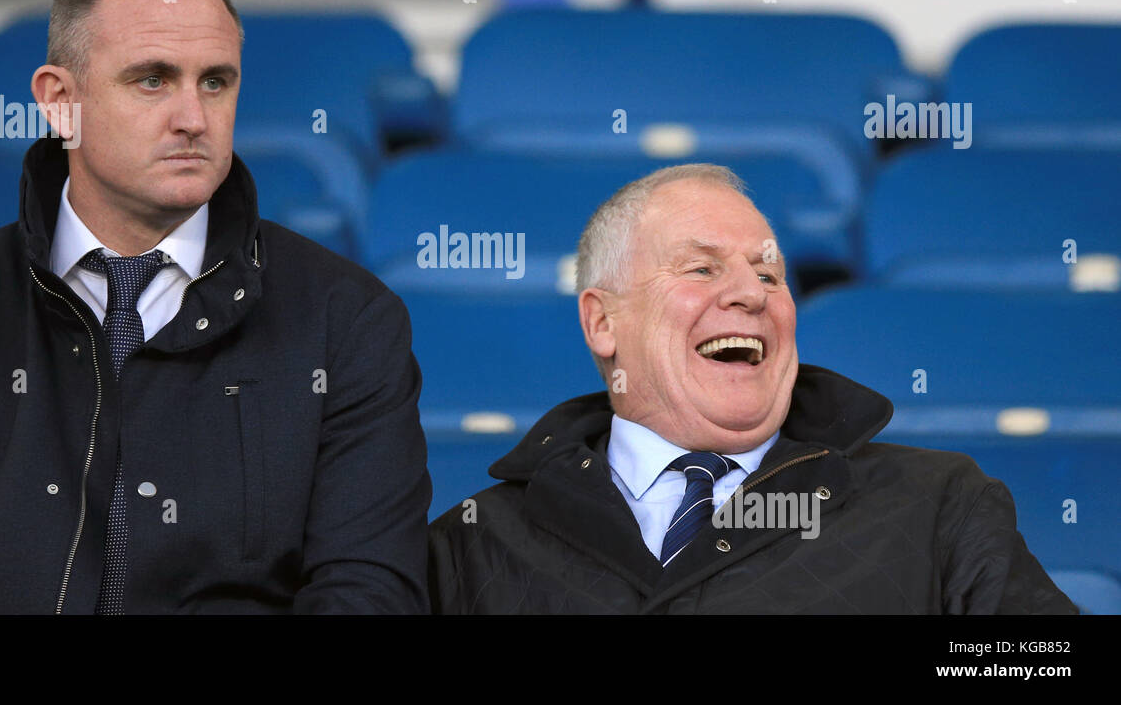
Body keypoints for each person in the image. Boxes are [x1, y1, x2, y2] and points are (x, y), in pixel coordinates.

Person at [0, 0, 430, 614]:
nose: (193, 119)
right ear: (60, 101)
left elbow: (368, 596)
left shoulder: (347, 319)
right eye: (152, 79)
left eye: (215, 81)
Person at [428, 164, 1076, 614]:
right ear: (602, 321)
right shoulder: (471, 544)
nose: (749, 293)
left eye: (769, 275)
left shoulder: (936, 505)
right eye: (702, 267)